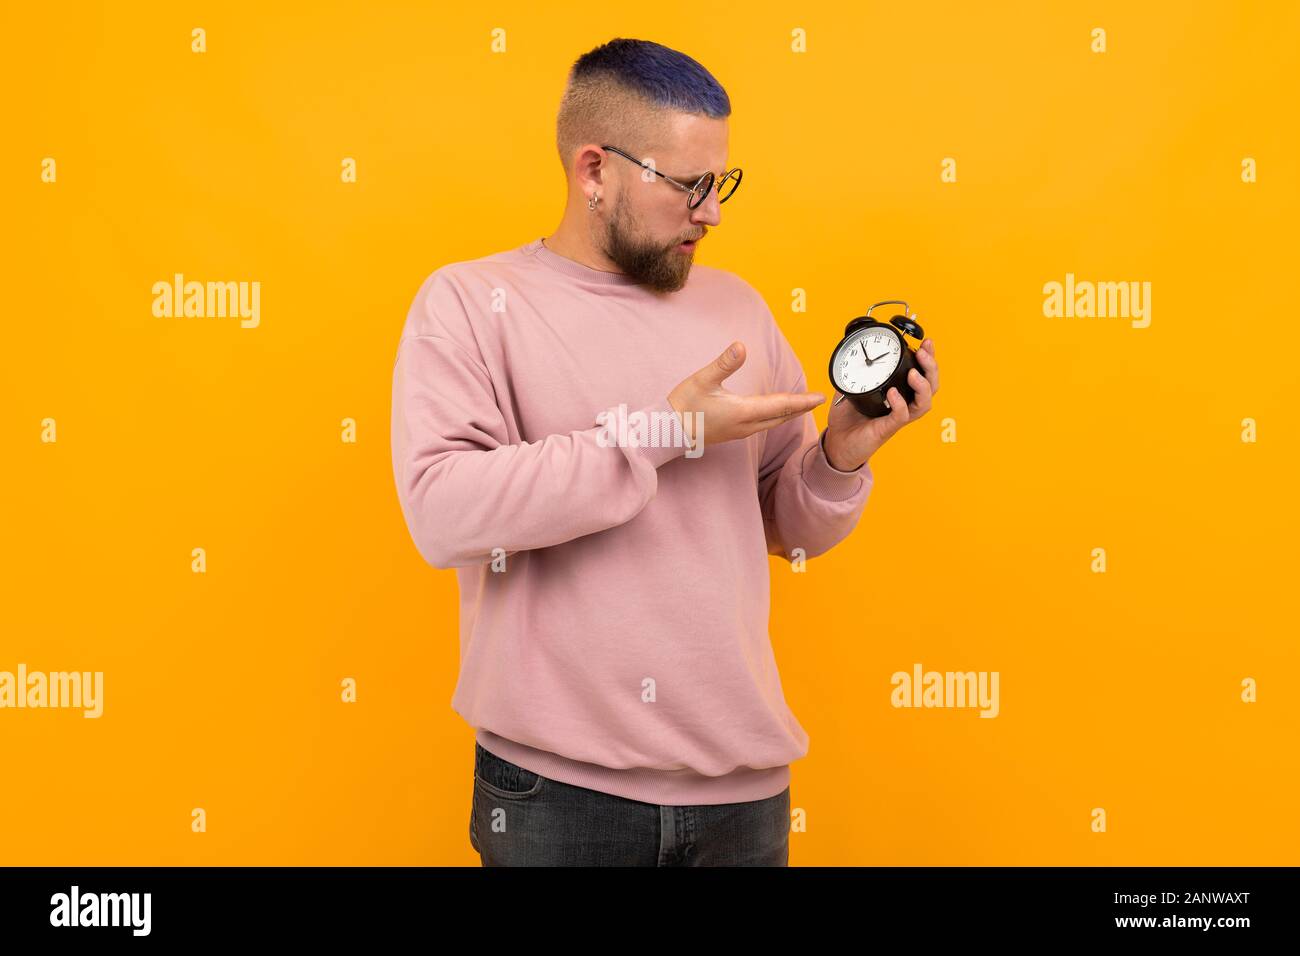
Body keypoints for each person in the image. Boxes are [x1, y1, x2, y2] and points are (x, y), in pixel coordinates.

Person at [390, 37, 939, 866]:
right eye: (689, 185)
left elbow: (791, 528)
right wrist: (662, 432)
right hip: (557, 799)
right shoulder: (470, 303)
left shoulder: (737, 307)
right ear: (594, 170)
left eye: (721, 184)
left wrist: (841, 456)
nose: (712, 211)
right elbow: (443, 512)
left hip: (743, 798)